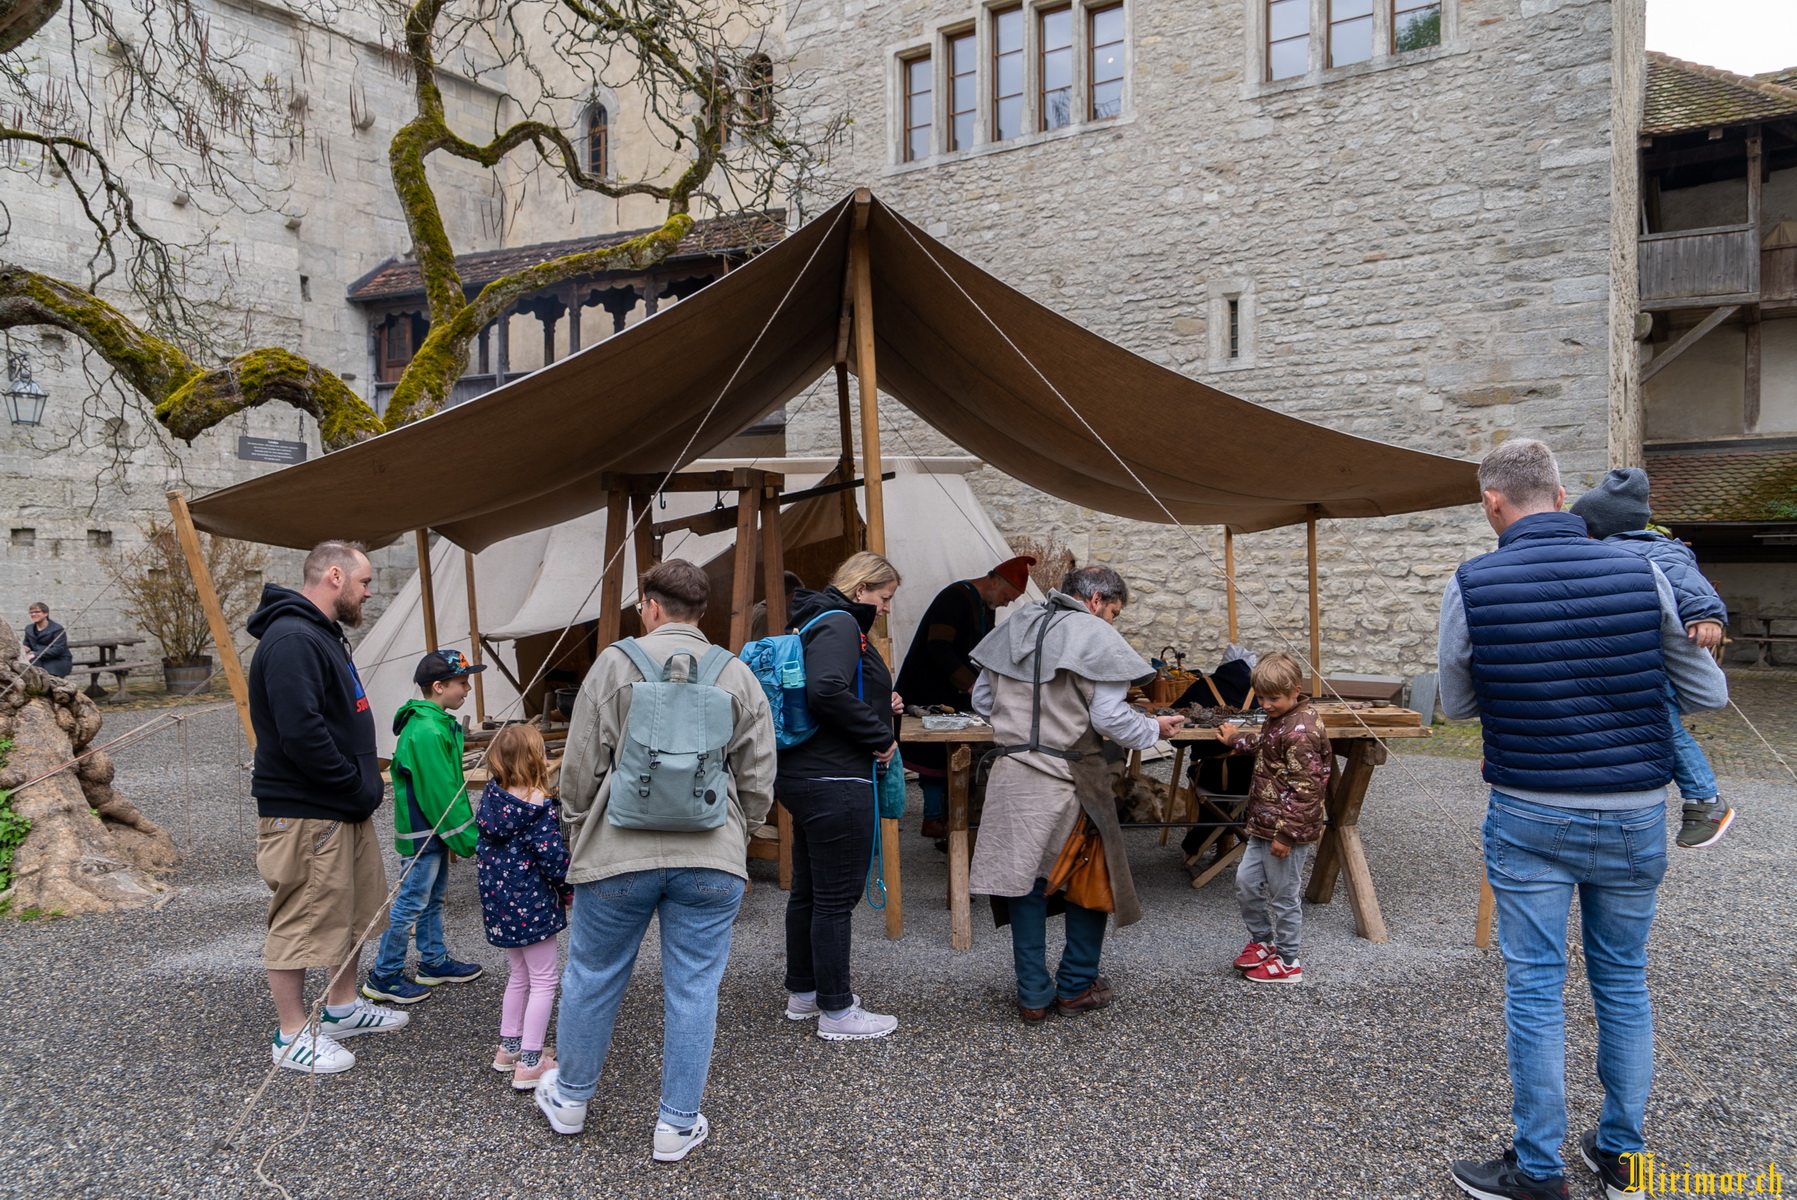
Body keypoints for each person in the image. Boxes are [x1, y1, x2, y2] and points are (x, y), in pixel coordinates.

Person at [1439, 440, 1728, 1200]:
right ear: (1562, 496)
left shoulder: (1471, 580)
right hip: (1634, 813)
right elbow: (1706, 692)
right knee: (1623, 982)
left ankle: (1538, 1170)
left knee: (1535, 987)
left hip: (1529, 809)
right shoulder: (1642, 570)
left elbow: (1458, 704)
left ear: (1492, 503)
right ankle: (1623, 1156)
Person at [534, 559, 775, 1162]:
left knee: (593, 977)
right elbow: (758, 775)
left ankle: (571, 1099)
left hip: (619, 851)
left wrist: (577, 830)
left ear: (650, 606)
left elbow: (581, 766)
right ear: (702, 612)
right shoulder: (736, 672)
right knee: (694, 989)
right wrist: (740, 833)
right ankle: (676, 1124)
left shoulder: (614, 664)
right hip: (711, 858)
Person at [967, 565, 1184, 1023]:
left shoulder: (1016, 625)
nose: (1113, 621)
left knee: (1025, 884)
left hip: (1011, 776)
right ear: (1097, 600)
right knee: (1088, 876)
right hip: (1070, 778)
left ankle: (1032, 995)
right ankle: (1076, 986)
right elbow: (1110, 718)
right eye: (1115, 612)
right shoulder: (1095, 634)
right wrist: (1153, 728)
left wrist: (1024, 722)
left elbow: (982, 701)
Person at [246, 540, 409, 1074]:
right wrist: (351, 784)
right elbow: (301, 733)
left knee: (352, 909)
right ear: (335, 576)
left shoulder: (320, 633)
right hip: (308, 810)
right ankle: (291, 1034)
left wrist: (357, 791)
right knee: (303, 916)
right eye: (364, 582)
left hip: (339, 808)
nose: (369, 593)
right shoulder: (293, 638)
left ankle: (341, 1007)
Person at [1570, 467, 1735, 849]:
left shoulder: (1655, 550)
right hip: (1627, 665)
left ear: (1596, 528)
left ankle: (1706, 800)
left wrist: (1706, 615)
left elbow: (1691, 585)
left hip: (1653, 667)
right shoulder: (1613, 552)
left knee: (1667, 729)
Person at [778, 551, 906, 1041]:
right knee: (834, 899)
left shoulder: (815, 620)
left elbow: (833, 687)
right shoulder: (839, 623)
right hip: (836, 780)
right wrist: (880, 734)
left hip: (807, 775)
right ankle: (837, 1011)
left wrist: (879, 700)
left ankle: (805, 992)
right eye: (884, 597)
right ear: (861, 590)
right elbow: (826, 689)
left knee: (810, 892)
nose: (887, 608)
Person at [363, 649, 488, 1004]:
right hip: (425, 832)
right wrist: (470, 839)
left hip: (432, 831)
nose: (467, 689)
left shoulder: (433, 723)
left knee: (432, 899)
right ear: (438, 686)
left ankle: (433, 962)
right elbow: (441, 793)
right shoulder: (428, 730)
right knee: (410, 904)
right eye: (462, 682)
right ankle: (384, 975)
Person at [894, 556, 1034, 839]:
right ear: (994, 581)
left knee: (954, 751)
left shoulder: (984, 606)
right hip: (929, 690)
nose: (1006, 603)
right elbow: (938, 646)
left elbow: (982, 650)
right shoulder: (955, 598)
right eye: (1007, 596)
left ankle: (951, 815)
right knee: (936, 752)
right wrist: (971, 685)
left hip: (952, 691)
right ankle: (934, 818)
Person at [1216, 651, 1330, 985]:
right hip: (1263, 824)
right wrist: (1236, 740)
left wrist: (1287, 834)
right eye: (1261, 697)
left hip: (1285, 831)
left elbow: (1308, 789)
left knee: (1284, 897)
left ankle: (1289, 961)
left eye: (1273, 698)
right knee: (1246, 883)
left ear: (1296, 690)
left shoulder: (1301, 732)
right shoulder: (1281, 719)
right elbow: (1266, 746)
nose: (1265, 705)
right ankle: (1263, 941)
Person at [476, 723, 570, 1091]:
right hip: (533, 905)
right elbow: (553, 859)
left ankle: (509, 1048)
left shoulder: (492, 799)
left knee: (519, 975)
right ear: (536, 758)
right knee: (544, 980)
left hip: (501, 906)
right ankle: (531, 1061)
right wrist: (568, 890)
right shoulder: (537, 805)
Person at [748, 570, 804, 641]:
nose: (799, 602)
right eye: (797, 597)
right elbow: (766, 647)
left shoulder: (763, 611)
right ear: (783, 595)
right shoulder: (767, 617)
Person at [21, 603, 72, 677]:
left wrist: (35, 654)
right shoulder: (29, 629)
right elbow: (27, 642)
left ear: (46, 614)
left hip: (58, 660)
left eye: (37, 612)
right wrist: (26, 647)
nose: (33, 614)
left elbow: (58, 649)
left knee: (49, 677)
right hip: (39, 659)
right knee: (29, 672)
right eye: (31, 612)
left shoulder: (57, 629)